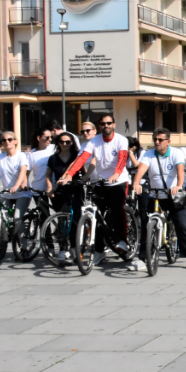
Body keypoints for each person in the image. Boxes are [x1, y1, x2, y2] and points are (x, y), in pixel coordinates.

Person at [60, 114, 134, 266]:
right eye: (103, 123)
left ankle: (122, 241)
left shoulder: (121, 140)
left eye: (109, 123)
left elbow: (122, 159)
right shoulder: (94, 141)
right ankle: (99, 251)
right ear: (100, 126)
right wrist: (69, 175)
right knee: (96, 217)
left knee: (116, 210)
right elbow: (81, 158)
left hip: (118, 181)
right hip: (100, 182)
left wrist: (116, 174)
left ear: (113, 124)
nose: (106, 126)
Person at [134, 127, 186, 270]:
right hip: (155, 194)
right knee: (146, 224)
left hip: (172, 195)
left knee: (181, 224)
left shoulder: (176, 153)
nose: (157, 142)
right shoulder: (148, 154)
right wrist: (136, 183)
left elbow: (180, 171)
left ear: (168, 141)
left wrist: (179, 186)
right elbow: (141, 170)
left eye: (160, 140)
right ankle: (142, 259)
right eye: (155, 139)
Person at [46, 131, 81, 261]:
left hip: (76, 189)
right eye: (62, 142)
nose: (65, 144)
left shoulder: (77, 156)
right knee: (62, 219)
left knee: (76, 218)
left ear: (72, 143)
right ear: (58, 143)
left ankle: (74, 246)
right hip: (60, 190)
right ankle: (62, 248)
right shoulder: (53, 158)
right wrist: (50, 187)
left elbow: (83, 171)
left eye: (68, 142)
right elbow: (48, 175)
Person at [20, 126, 56, 214]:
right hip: (38, 188)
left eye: (51, 137)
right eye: (47, 137)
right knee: (43, 216)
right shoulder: (32, 154)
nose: (50, 139)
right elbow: (26, 172)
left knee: (59, 213)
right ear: (39, 138)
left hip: (54, 187)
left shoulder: (54, 148)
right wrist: (24, 183)